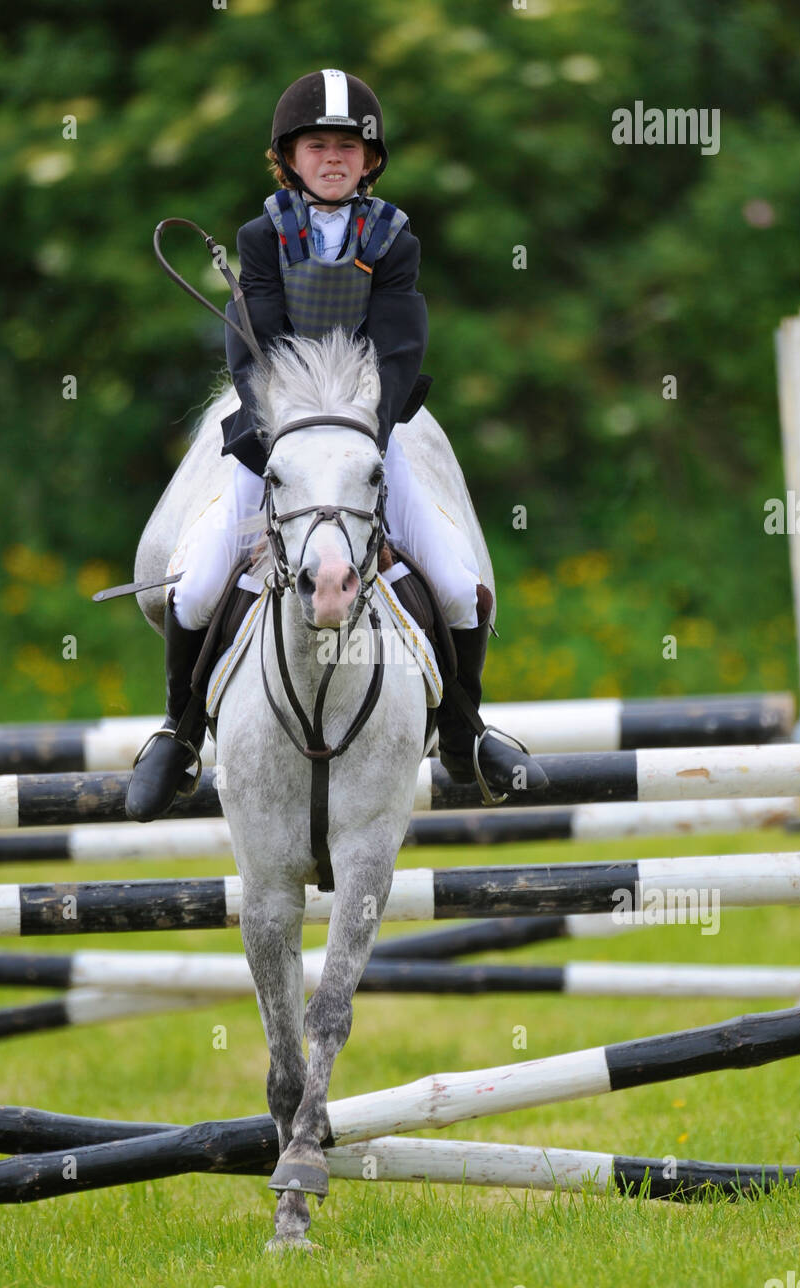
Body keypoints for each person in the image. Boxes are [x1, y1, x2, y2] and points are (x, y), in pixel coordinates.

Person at [126, 68, 548, 821]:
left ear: (370, 159)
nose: (332, 159)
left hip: (369, 432)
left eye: (347, 147)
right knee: (193, 584)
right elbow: (249, 348)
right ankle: (179, 732)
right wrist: (287, 429)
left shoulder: (393, 238)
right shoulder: (261, 238)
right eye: (316, 146)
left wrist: (361, 435)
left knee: (454, 582)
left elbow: (398, 348)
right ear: (287, 158)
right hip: (281, 435)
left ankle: (465, 732)